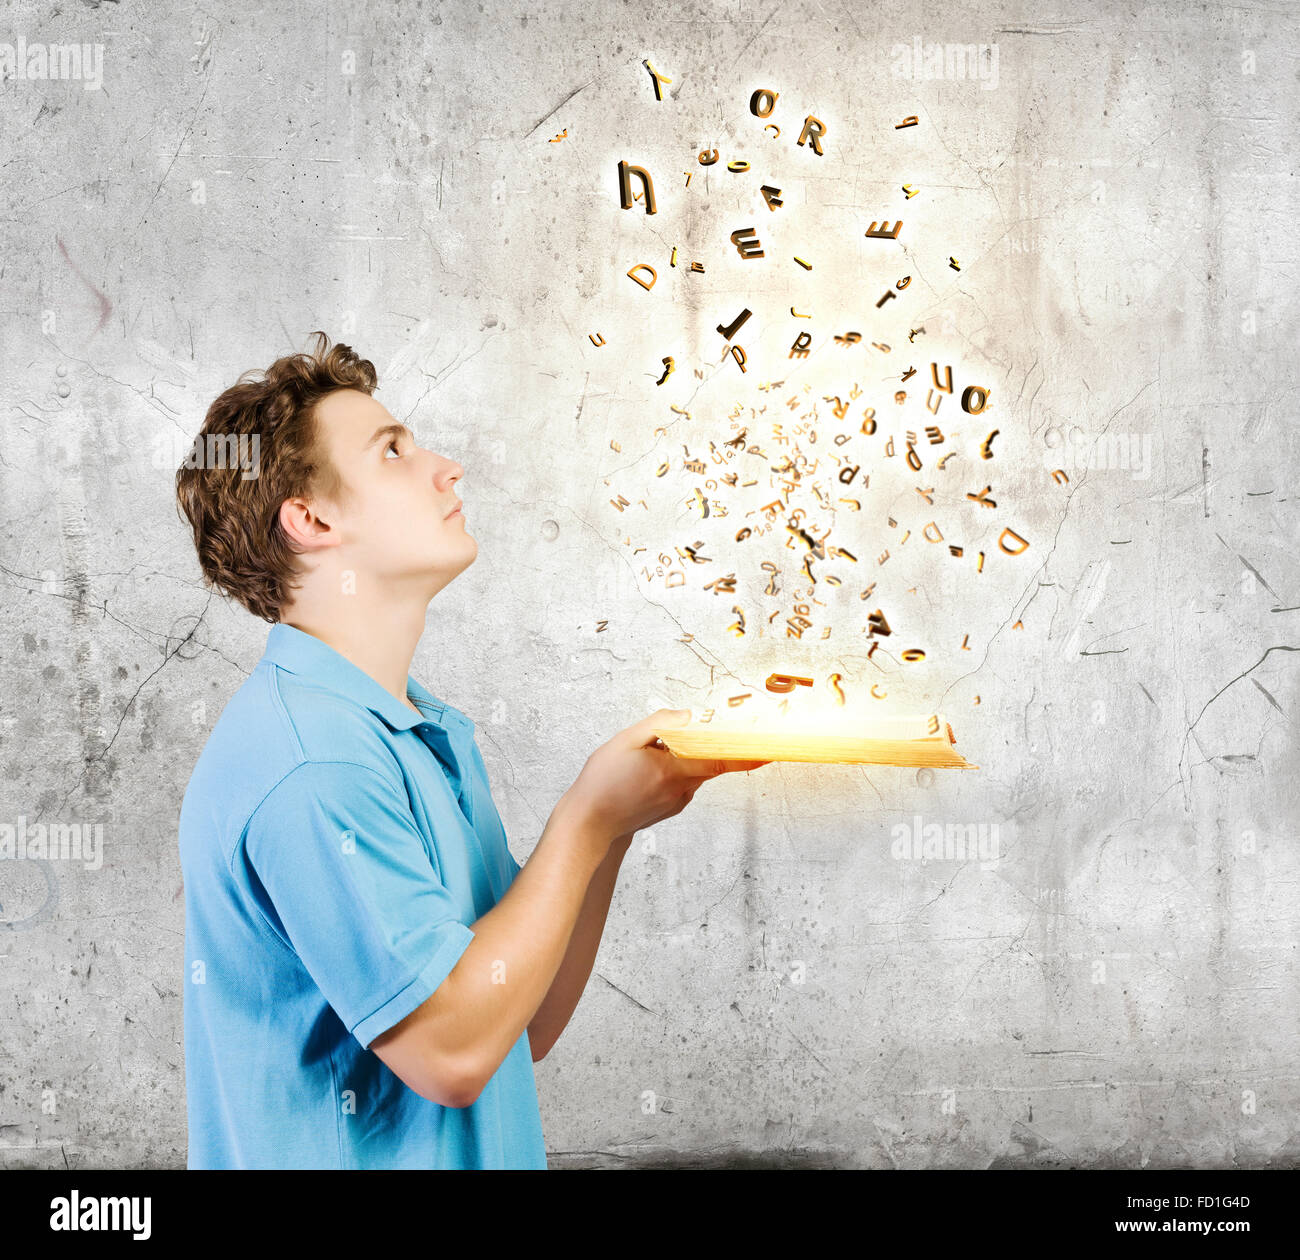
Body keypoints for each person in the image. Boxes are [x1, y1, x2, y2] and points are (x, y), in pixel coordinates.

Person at [174, 331, 767, 1169]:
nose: (446, 468)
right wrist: (587, 822)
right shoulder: (313, 765)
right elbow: (448, 1054)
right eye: (392, 452)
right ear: (310, 520)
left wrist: (619, 825)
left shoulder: (417, 732)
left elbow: (516, 1023)